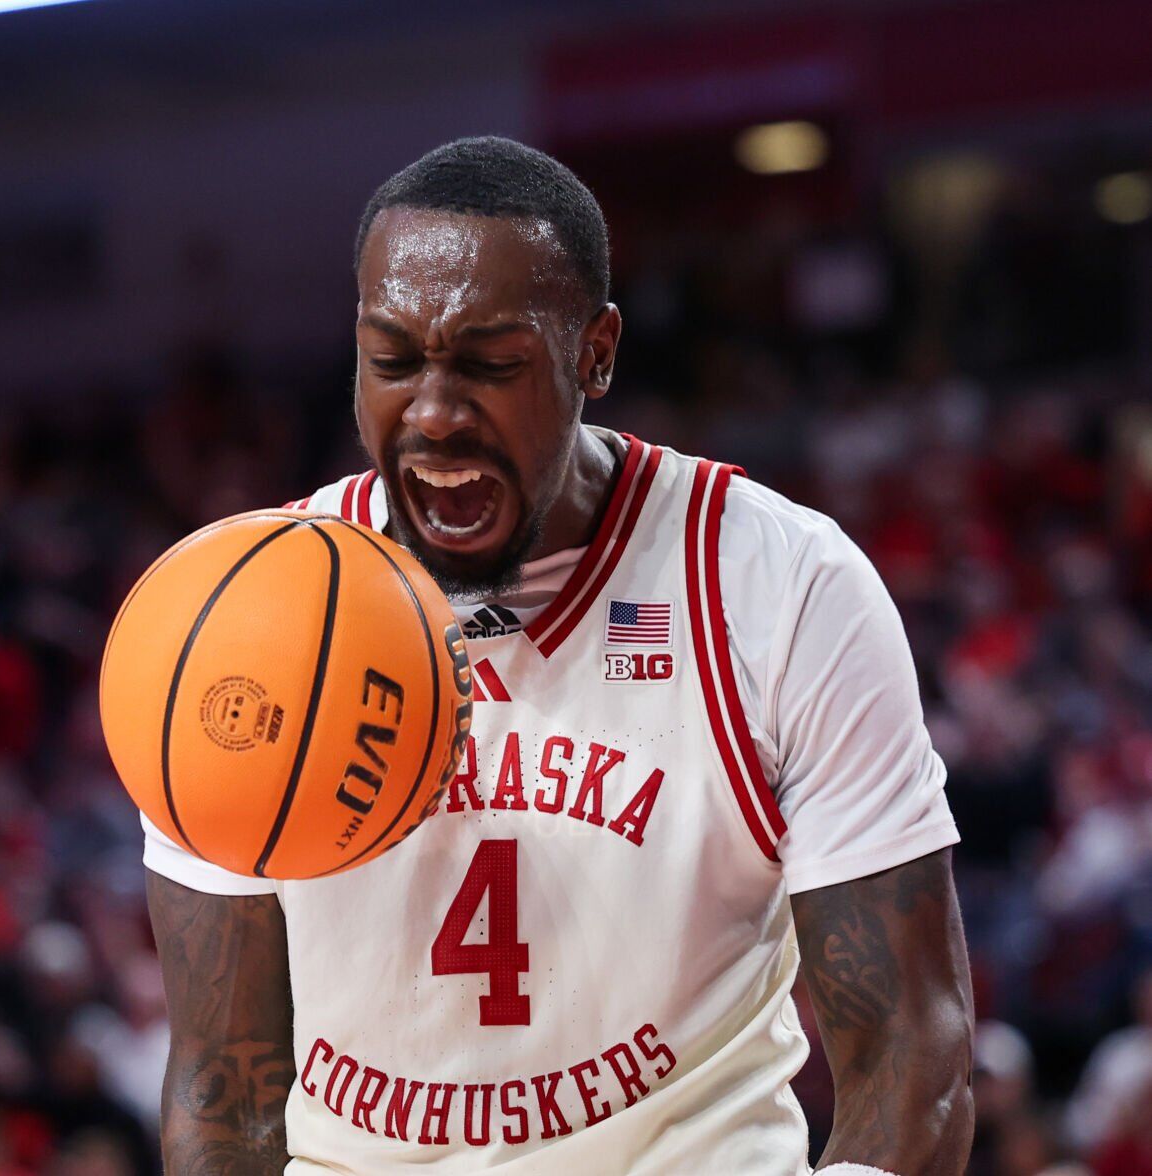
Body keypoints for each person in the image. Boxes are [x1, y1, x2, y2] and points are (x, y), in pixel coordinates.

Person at [142, 138, 974, 1174]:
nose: (435, 413)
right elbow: (223, 1085)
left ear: (594, 351)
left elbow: (907, 1048)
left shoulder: (776, 582)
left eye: (490, 364)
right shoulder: (234, 626)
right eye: (391, 361)